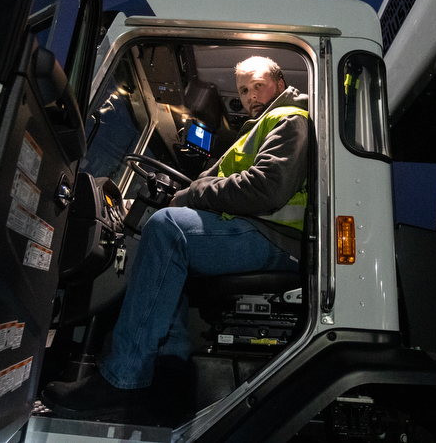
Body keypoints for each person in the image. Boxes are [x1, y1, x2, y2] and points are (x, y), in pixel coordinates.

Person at [42, 55, 310, 420]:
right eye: (244, 90)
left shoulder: (290, 119)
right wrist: (194, 192)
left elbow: (269, 188)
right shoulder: (258, 126)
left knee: (168, 229)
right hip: (258, 230)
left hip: (276, 240)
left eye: (258, 85)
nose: (250, 96)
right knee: (172, 244)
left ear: (278, 84)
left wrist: (194, 195)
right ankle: (168, 377)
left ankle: (122, 381)